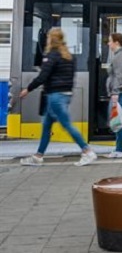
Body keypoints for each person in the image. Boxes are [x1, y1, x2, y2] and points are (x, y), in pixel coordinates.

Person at [19, 28, 97, 167]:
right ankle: (38, 156)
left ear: (51, 39)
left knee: (66, 125)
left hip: (55, 96)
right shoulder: (69, 56)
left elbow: (43, 76)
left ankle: (87, 151)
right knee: (46, 126)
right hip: (64, 94)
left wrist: (28, 89)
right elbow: (71, 77)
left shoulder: (52, 55)